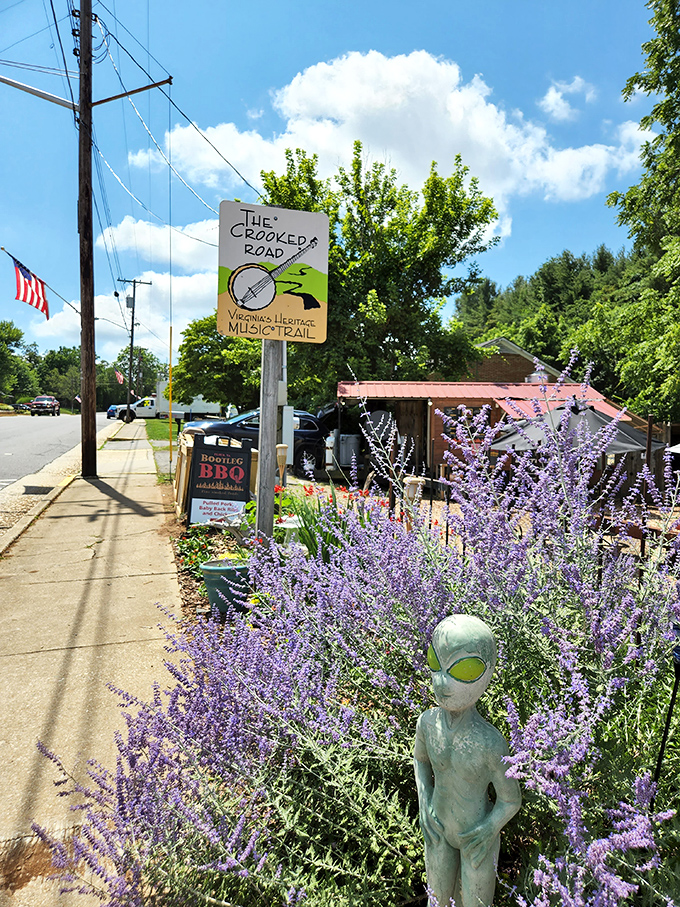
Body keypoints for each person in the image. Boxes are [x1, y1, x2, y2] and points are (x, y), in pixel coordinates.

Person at [414, 614, 521, 907]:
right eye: (435, 663)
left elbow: (511, 800)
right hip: (437, 829)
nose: (441, 680)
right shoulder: (426, 723)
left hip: (476, 838)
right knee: (436, 900)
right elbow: (420, 760)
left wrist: (489, 829)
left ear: (486, 674)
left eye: (464, 669)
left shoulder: (490, 742)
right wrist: (424, 804)